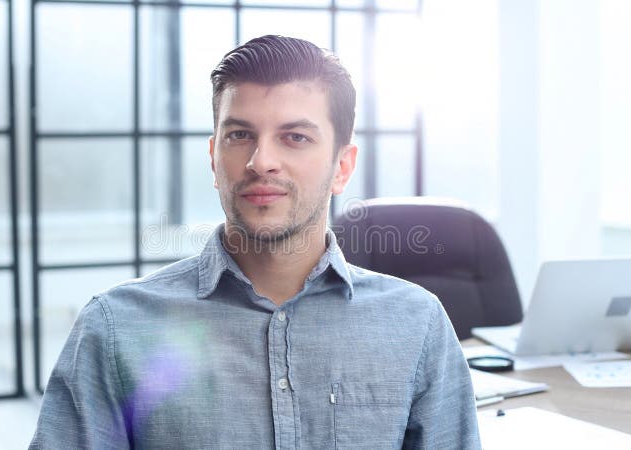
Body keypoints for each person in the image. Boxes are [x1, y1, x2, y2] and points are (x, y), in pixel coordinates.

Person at [30, 35, 480, 449]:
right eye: (240, 135)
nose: (261, 161)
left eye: (295, 137)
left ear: (342, 167)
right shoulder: (115, 330)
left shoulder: (417, 324)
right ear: (213, 157)